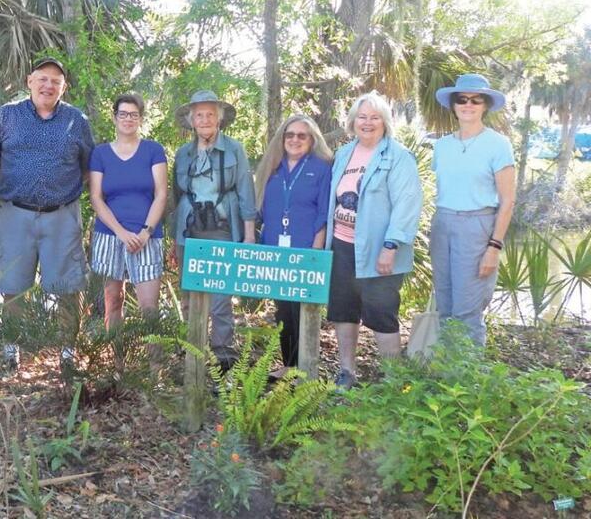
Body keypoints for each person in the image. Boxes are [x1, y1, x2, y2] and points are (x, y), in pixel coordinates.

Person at [0, 57, 95, 372]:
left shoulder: (77, 120)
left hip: (61, 215)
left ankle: (67, 353)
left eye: (56, 81)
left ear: (64, 88)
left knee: (67, 285)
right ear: (29, 81)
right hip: (15, 214)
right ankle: (12, 349)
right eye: (43, 79)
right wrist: (18, 190)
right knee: (12, 283)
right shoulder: (7, 116)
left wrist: (59, 192)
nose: (49, 85)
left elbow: (87, 168)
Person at [325, 91, 422, 390]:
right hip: (342, 245)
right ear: (353, 122)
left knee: (381, 313)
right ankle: (347, 372)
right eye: (362, 117)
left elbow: (407, 204)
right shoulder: (344, 154)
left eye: (374, 117)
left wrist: (390, 246)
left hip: (380, 250)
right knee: (343, 310)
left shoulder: (398, 157)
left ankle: (394, 380)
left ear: (385, 122)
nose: (367, 123)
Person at [171, 90, 257, 371]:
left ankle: (223, 358)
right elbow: (175, 197)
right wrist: (174, 240)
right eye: (199, 115)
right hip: (189, 229)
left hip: (222, 228)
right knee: (189, 293)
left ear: (219, 120)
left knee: (221, 297)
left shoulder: (235, 149)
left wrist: (248, 235)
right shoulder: (183, 154)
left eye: (210, 114)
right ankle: (192, 350)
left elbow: (246, 192)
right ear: (192, 121)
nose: (205, 119)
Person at [431, 74, 515, 345]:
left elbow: (508, 201)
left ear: (485, 105)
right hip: (442, 224)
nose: (468, 105)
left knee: (467, 311)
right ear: (453, 105)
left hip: (477, 227)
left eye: (476, 100)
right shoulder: (441, 146)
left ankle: (470, 381)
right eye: (462, 99)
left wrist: (494, 247)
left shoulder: (498, 144)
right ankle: (448, 380)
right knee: (445, 307)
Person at [253, 115, 333, 378]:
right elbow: (259, 209)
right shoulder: (272, 168)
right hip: (276, 248)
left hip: (306, 249)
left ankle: (305, 368)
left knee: (304, 310)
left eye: (302, 135)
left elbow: (324, 212)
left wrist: (316, 250)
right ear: (282, 138)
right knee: (283, 310)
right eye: (290, 134)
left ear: (312, 140)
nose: (295, 140)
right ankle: (288, 366)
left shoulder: (321, 168)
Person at [89, 93, 167, 333]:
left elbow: (161, 194)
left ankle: (155, 369)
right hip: (110, 235)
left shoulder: (153, 150)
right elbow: (96, 197)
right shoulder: (101, 153)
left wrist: (145, 232)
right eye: (123, 114)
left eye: (134, 115)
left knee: (149, 308)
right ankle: (119, 367)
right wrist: (121, 233)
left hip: (147, 236)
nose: (128, 119)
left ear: (141, 119)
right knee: (113, 302)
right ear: (115, 117)